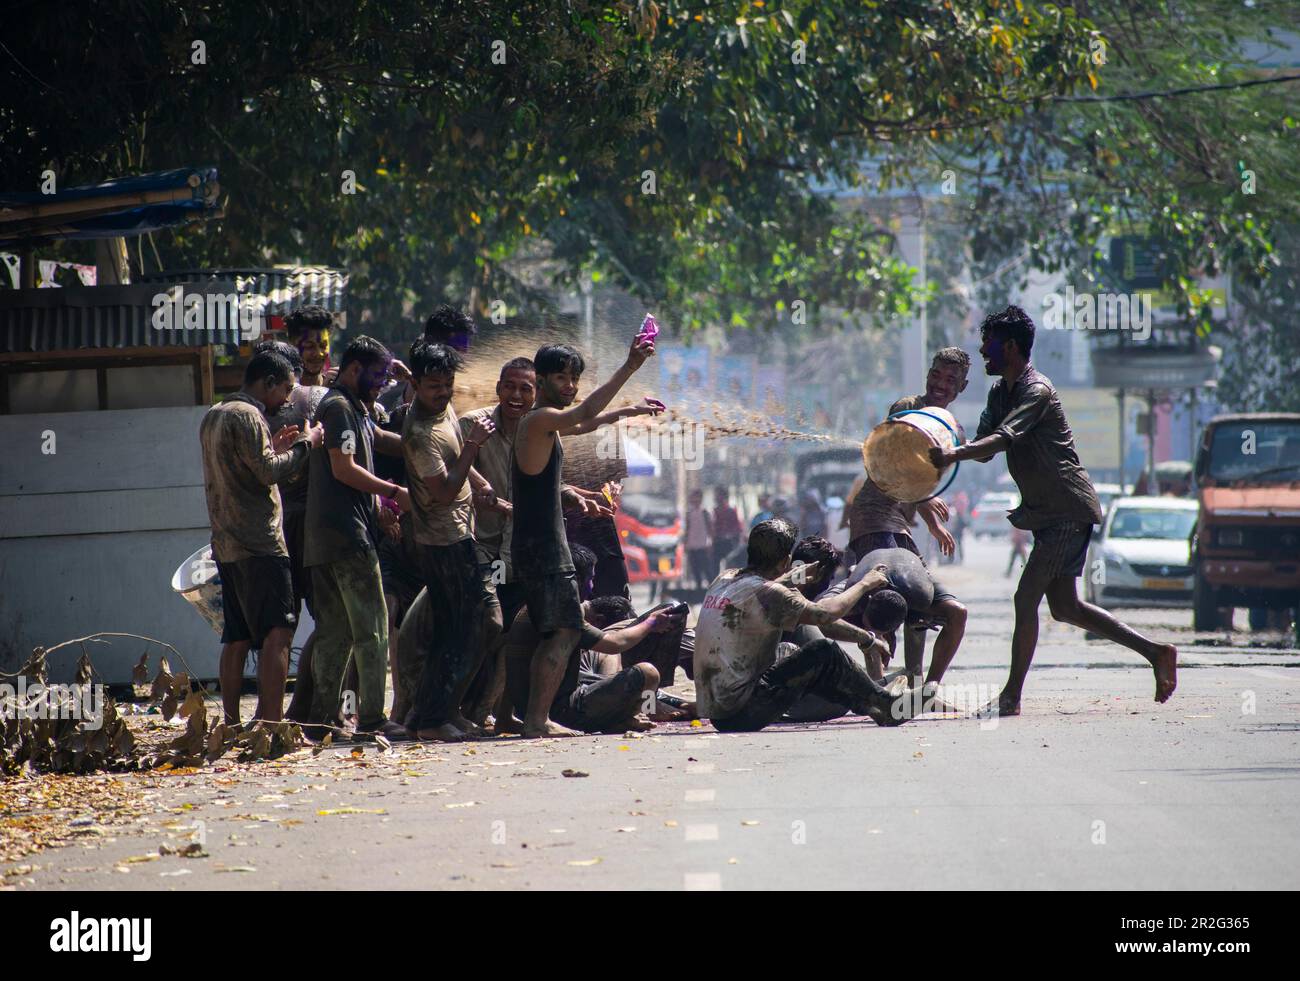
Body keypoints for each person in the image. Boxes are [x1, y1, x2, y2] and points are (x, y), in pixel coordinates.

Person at [929, 306, 1177, 716]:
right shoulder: (998, 392)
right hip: (1046, 513)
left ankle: (1011, 697)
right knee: (1065, 607)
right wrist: (939, 433)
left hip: (1067, 507)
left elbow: (1004, 438)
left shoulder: (1036, 390)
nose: (982, 351)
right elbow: (984, 447)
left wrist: (952, 453)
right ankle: (1156, 652)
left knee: (1025, 599)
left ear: (1010, 347)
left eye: (988, 344)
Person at [510, 334, 660, 738]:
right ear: (540, 380)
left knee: (547, 631)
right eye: (561, 378)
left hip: (539, 546)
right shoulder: (539, 419)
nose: (570, 387)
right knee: (563, 632)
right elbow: (586, 411)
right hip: (542, 548)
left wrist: (629, 410)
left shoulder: (545, 425)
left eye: (574, 378)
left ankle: (527, 717)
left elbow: (589, 420)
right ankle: (537, 721)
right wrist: (631, 365)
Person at [692, 518, 917, 732]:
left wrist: (790, 577)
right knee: (825, 652)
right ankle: (886, 704)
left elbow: (758, 593)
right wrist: (866, 583)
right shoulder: (773, 594)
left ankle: (872, 706)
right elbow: (824, 615)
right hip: (743, 712)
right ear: (785, 561)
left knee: (788, 653)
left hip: (719, 714)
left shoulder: (725, 579)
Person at [199, 349, 323, 726]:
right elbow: (268, 473)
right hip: (261, 543)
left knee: (236, 636)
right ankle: (272, 723)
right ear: (267, 383)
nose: (287, 398)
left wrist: (275, 448)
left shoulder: (214, 415)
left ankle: (232, 723)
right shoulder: (249, 415)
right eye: (285, 388)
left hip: (227, 542)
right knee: (278, 631)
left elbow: (246, 466)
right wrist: (305, 443)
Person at [302, 335, 411, 741]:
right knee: (374, 629)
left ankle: (320, 721)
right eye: (378, 374)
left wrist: (437, 440)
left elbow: (387, 441)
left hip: (325, 539)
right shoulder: (340, 408)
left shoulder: (355, 411)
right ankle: (371, 721)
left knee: (336, 632)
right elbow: (344, 468)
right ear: (353, 370)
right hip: (348, 538)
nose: (383, 382)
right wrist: (394, 492)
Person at [401, 339, 507, 741]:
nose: (444, 393)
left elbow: (457, 458)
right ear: (416, 383)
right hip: (443, 541)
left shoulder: (441, 407)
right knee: (466, 627)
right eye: (434, 386)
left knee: (467, 626)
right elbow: (444, 490)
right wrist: (477, 444)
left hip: (462, 532)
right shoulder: (419, 434)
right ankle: (432, 720)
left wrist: (485, 489)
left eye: (448, 384)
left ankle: (439, 713)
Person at [846, 346, 971, 684]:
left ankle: (921, 686)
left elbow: (923, 484)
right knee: (885, 600)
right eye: (936, 375)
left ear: (962, 387)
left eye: (950, 379)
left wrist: (933, 524)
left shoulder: (950, 430)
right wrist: (926, 500)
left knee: (929, 606)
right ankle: (875, 682)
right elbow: (890, 459)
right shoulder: (907, 408)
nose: (940, 384)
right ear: (927, 374)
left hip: (900, 525)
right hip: (874, 516)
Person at [502, 545, 688, 734]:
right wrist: (651, 623)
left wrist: (504, 719)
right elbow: (615, 644)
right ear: (574, 581)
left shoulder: (531, 607)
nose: (592, 588)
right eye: (590, 579)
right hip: (562, 711)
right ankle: (634, 714)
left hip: (527, 710)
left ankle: (643, 710)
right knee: (648, 673)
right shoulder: (565, 615)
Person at [285, 306, 333, 388]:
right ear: (292, 344)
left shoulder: (335, 391)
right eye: (309, 346)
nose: (318, 353)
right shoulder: (280, 394)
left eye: (323, 346)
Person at [684, 488, 713, 589]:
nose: (694, 500)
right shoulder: (689, 513)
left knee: (706, 569)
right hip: (692, 546)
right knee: (695, 571)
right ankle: (698, 589)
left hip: (703, 545)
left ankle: (710, 589)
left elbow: (710, 529)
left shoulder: (705, 512)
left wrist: (710, 543)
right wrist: (685, 543)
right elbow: (687, 529)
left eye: (697, 497)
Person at [711, 486, 744, 574]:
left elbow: (738, 527)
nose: (716, 498)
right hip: (718, 541)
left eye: (718, 495)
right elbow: (713, 527)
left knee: (731, 565)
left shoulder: (731, 511)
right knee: (715, 566)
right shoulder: (714, 511)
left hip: (729, 542)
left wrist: (733, 537)